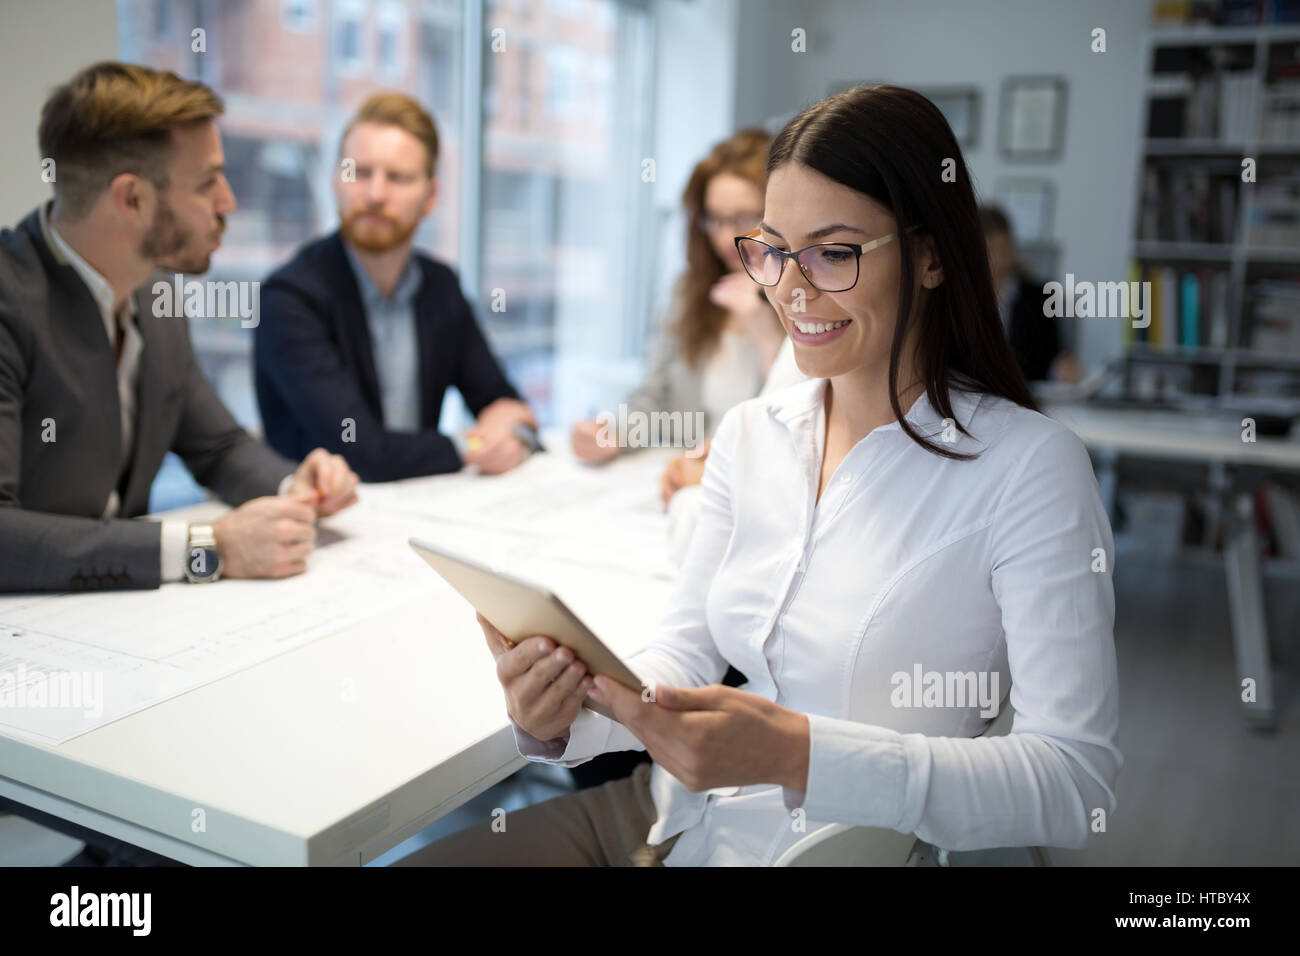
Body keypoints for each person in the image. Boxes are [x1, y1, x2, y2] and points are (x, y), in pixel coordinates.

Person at [397, 84, 1120, 867]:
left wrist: (799, 756)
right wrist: (569, 714)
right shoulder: (752, 435)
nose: (788, 288)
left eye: (834, 252)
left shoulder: (1029, 470)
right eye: (773, 249)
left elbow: (1074, 781)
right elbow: (682, 657)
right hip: (668, 816)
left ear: (932, 256)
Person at [0, 62, 359, 595]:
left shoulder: (152, 290)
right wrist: (204, 547)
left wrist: (295, 487)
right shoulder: (10, 299)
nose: (228, 203)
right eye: (208, 181)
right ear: (132, 198)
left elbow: (216, 447)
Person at [254, 92, 538, 483]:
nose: (375, 194)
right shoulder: (289, 299)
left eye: (398, 177)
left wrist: (515, 437)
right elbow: (363, 452)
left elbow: (504, 403)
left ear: (431, 196)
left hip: (415, 509)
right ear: (337, 180)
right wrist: (473, 446)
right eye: (360, 173)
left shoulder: (441, 287)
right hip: (316, 525)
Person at [570, 128, 785, 464]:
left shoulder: (807, 301)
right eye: (715, 219)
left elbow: (797, 422)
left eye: (745, 218)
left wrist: (765, 333)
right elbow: (654, 399)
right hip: (682, 478)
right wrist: (616, 433)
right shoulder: (690, 292)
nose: (728, 237)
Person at [981, 204, 1082, 384]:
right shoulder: (962, 299)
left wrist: (1062, 369)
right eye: (991, 250)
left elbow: (1052, 359)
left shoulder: (1040, 296)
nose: (1000, 258)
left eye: (1004, 248)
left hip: (1024, 396)